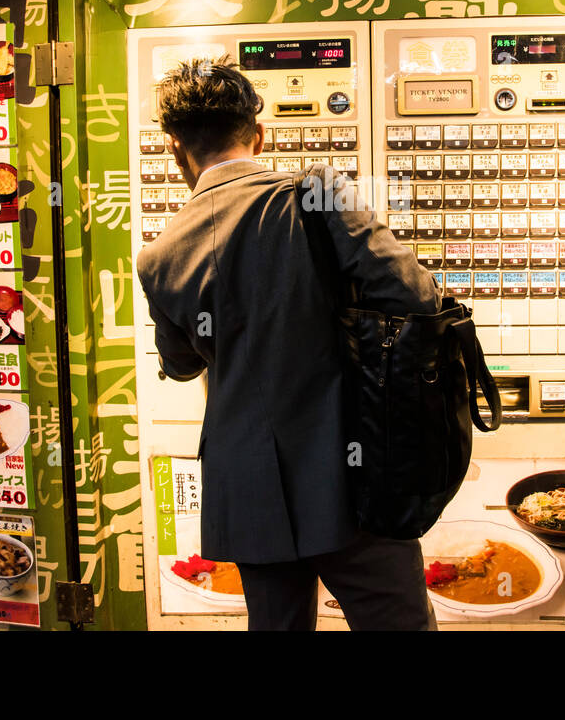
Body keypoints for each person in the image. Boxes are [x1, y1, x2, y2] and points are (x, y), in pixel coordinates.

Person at [134, 56, 442, 631]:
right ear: (259, 133)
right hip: (354, 474)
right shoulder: (317, 194)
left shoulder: (158, 257)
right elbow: (417, 296)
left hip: (247, 486)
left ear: (174, 146)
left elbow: (178, 366)